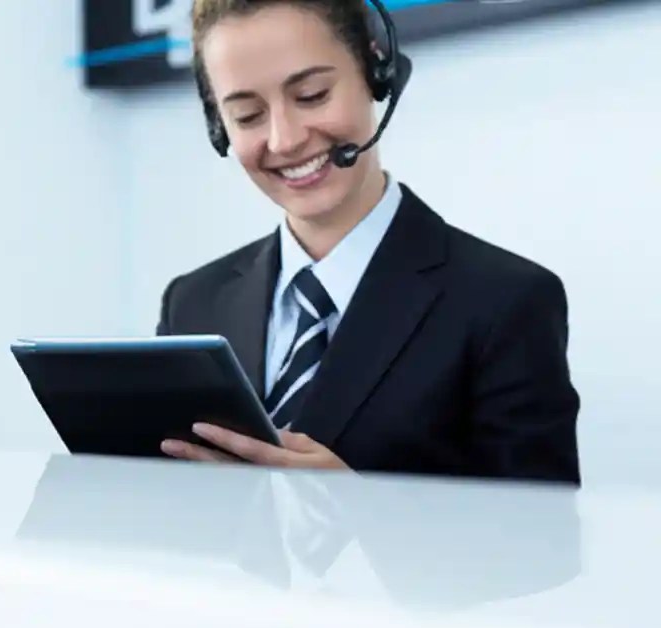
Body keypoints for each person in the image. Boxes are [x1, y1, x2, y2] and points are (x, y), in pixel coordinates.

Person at [157, 0, 580, 484]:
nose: (285, 139)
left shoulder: (506, 302)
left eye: (313, 95)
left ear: (377, 73)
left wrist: (362, 512)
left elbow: (542, 545)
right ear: (219, 128)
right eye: (248, 115)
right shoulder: (191, 305)